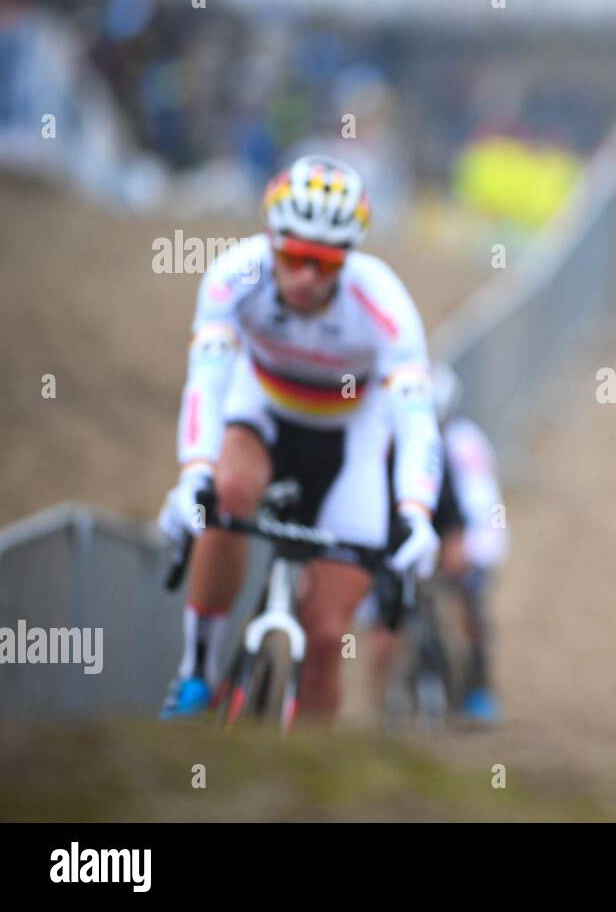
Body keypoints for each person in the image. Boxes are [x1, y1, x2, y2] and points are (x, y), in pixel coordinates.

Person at [157, 154, 441, 721]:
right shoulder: (234, 276)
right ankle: (197, 673)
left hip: (350, 437)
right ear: (269, 238)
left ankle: (303, 782)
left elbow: (416, 417)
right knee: (228, 490)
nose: (308, 275)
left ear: (350, 256)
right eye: (294, 257)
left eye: (325, 261)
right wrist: (193, 474)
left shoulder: (383, 302)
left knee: (328, 637)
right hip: (260, 410)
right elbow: (206, 384)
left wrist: (416, 510)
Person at [365, 362, 508, 725]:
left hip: (454, 534)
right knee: (382, 627)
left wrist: (467, 551)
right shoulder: (381, 447)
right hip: (395, 543)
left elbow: (481, 506)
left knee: (467, 601)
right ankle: (378, 703)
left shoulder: (463, 444)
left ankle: (478, 684)